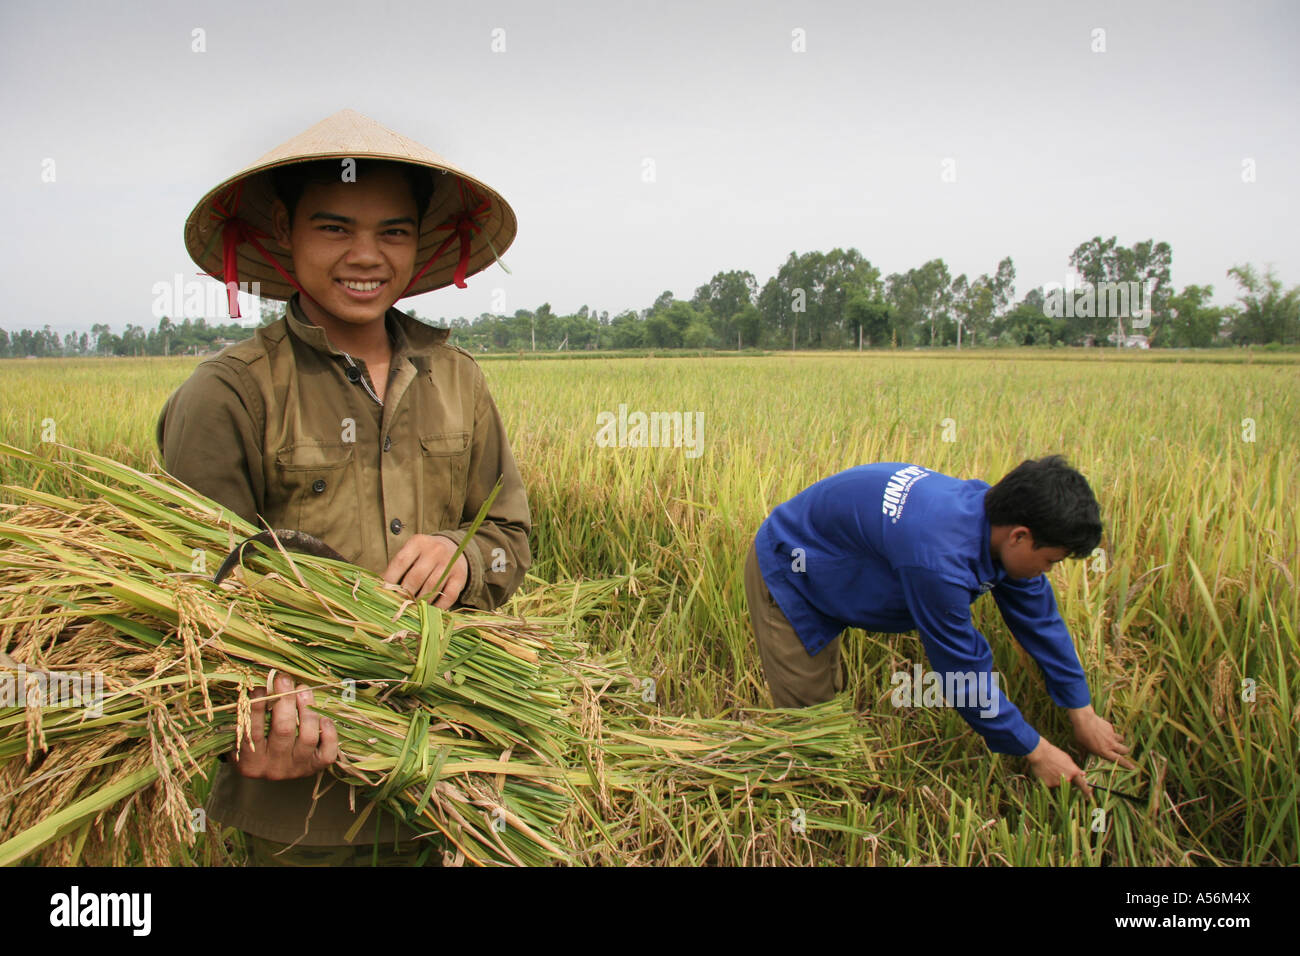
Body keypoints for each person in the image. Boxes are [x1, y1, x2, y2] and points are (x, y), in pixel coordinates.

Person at [156, 109, 531, 865]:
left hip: (450, 775)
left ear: (418, 243)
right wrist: (245, 725)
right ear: (285, 232)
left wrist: (462, 556)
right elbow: (185, 594)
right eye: (335, 229)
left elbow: (511, 543)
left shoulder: (458, 380)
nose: (367, 256)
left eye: (393, 232)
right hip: (302, 802)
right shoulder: (228, 395)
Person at [743, 455, 1135, 795]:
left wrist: (1081, 712)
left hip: (839, 562)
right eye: (1051, 561)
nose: (1047, 572)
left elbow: (1041, 623)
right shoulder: (939, 559)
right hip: (791, 568)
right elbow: (963, 676)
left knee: (828, 698)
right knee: (811, 730)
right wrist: (1037, 751)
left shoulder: (988, 516)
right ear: (1020, 536)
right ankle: (805, 813)